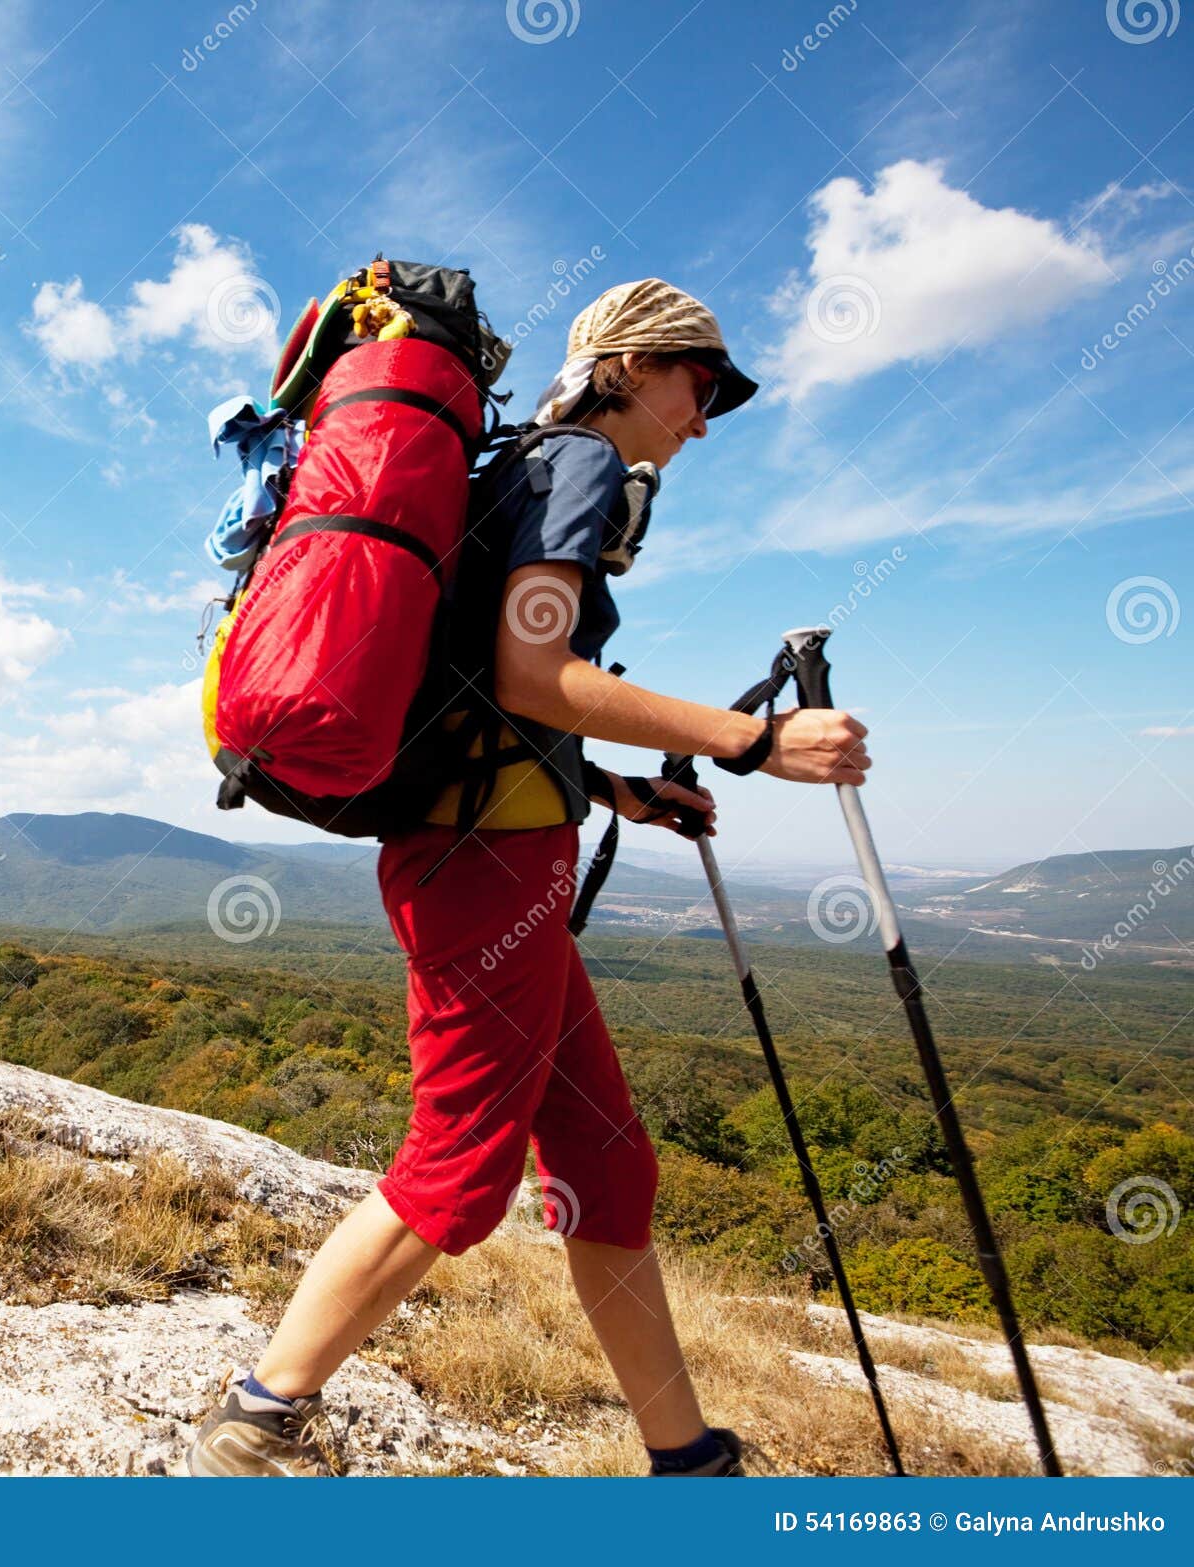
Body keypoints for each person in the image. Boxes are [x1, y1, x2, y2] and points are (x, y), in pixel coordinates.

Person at [187, 278, 871, 1478]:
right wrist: (752, 740)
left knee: (607, 1164)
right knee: (459, 1169)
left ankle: (686, 1455)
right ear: (625, 367)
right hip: (483, 870)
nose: (704, 419)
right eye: (697, 384)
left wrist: (614, 790)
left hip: (504, 850)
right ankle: (255, 1419)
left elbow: (472, 684)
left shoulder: (517, 470)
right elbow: (528, 672)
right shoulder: (577, 468)